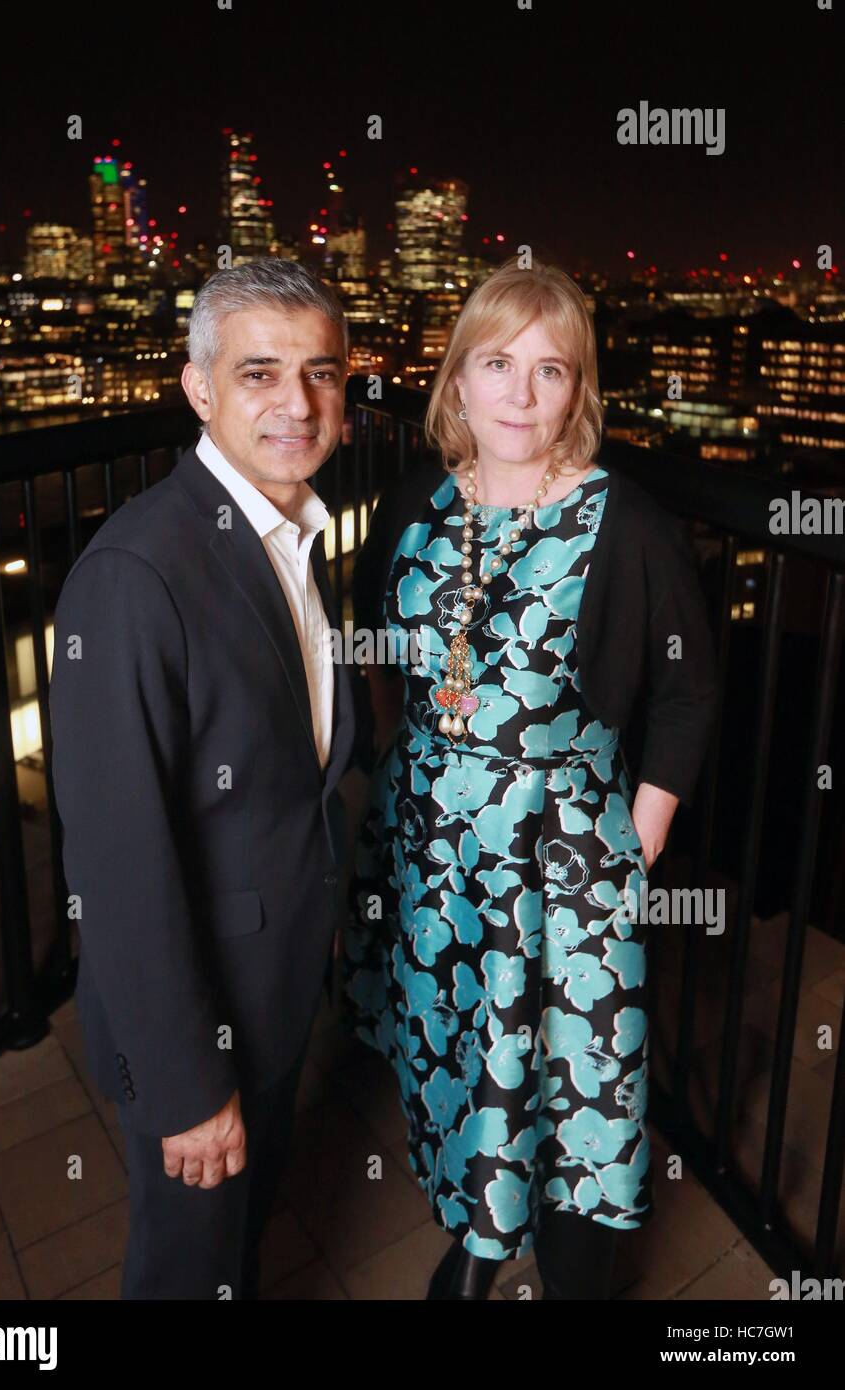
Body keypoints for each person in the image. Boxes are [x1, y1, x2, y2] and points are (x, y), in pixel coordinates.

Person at [343, 253, 719, 1300]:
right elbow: (377, 615)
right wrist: (395, 748)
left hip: (559, 860)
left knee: (575, 1087)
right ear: (456, 378)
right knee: (465, 1059)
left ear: (577, 393)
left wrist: (632, 841)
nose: (520, 392)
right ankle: (480, 1235)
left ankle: (572, 1277)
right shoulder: (420, 494)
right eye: (498, 362)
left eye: (550, 370)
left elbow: (689, 693)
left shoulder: (626, 524)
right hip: (431, 851)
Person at [49, 257, 355, 1299]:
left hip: (270, 985)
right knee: (184, 1270)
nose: (297, 404)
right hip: (194, 1019)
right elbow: (117, 861)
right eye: (260, 373)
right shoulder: (137, 574)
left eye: (321, 373)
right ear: (199, 388)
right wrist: (184, 1087)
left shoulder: (291, 533)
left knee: (233, 1250)